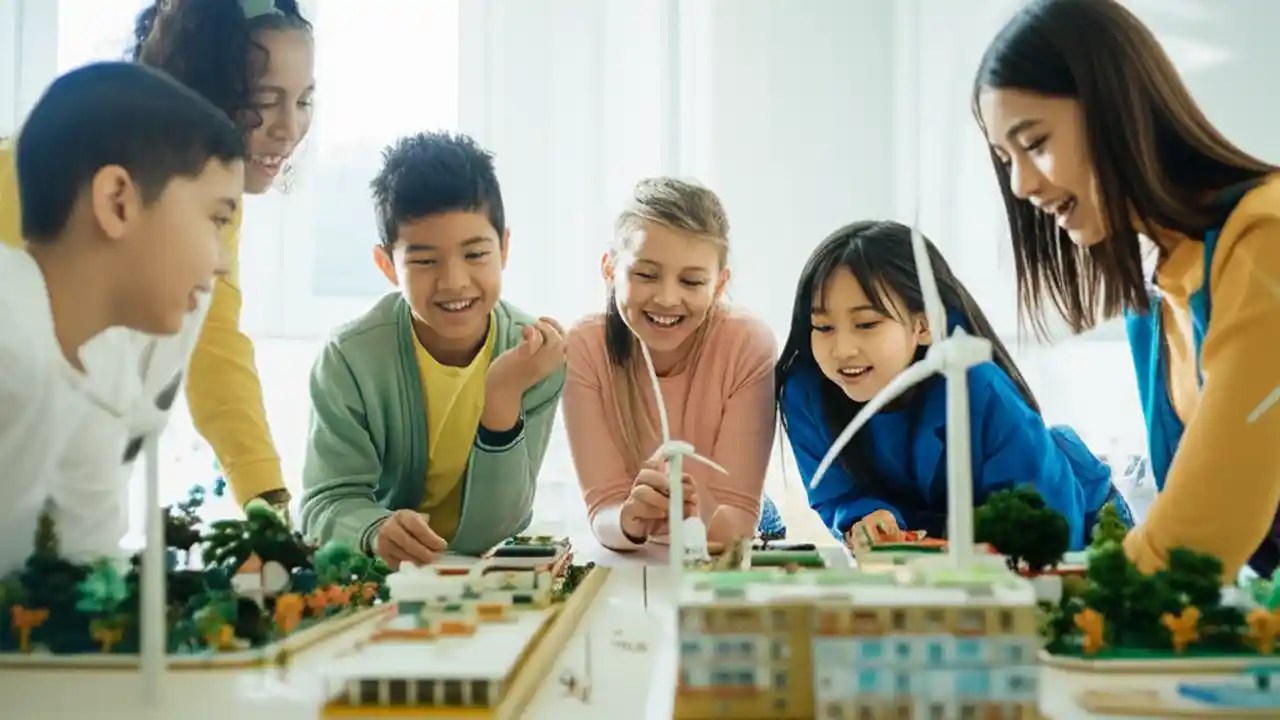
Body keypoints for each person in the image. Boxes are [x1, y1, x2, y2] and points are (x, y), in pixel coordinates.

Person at [973, 0, 1280, 578]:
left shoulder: (1266, 238)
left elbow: (1204, 531)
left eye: (1034, 142)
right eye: (1005, 158)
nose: (1020, 185)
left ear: (1118, 108)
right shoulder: (1154, 297)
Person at [0, 0, 316, 511]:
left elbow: (216, 348)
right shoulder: (43, 177)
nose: (289, 129)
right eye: (264, 99)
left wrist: (267, 503)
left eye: (304, 101)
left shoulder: (201, 197)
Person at [0, 61, 243, 574]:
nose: (220, 262)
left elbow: (84, 570)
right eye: (215, 219)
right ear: (118, 202)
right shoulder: (9, 333)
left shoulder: (105, 370)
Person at [776, 221, 1129, 551]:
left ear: (925, 325)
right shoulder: (806, 394)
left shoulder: (976, 387)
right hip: (939, 551)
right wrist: (863, 519)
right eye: (823, 327)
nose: (841, 349)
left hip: (1077, 529)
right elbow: (837, 496)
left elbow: (1051, 523)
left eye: (866, 324)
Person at [299, 132, 566, 567]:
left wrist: (502, 398)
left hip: (492, 582)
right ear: (387, 266)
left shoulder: (537, 356)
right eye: (424, 261)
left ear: (505, 248)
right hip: (385, 580)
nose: (454, 281)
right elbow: (322, 505)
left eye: (476, 254)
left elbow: (497, 527)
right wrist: (372, 529)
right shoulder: (350, 360)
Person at [563, 177, 785, 552]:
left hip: (743, 538)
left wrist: (698, 521)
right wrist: (629, 520)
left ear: (718, 285)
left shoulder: (748, 345)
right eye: (646, 275)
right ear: (609, 269)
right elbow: (603, 508)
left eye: (692, 282)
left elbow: (737, 517)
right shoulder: (584, 348)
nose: (667, 298)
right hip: (641, 551)